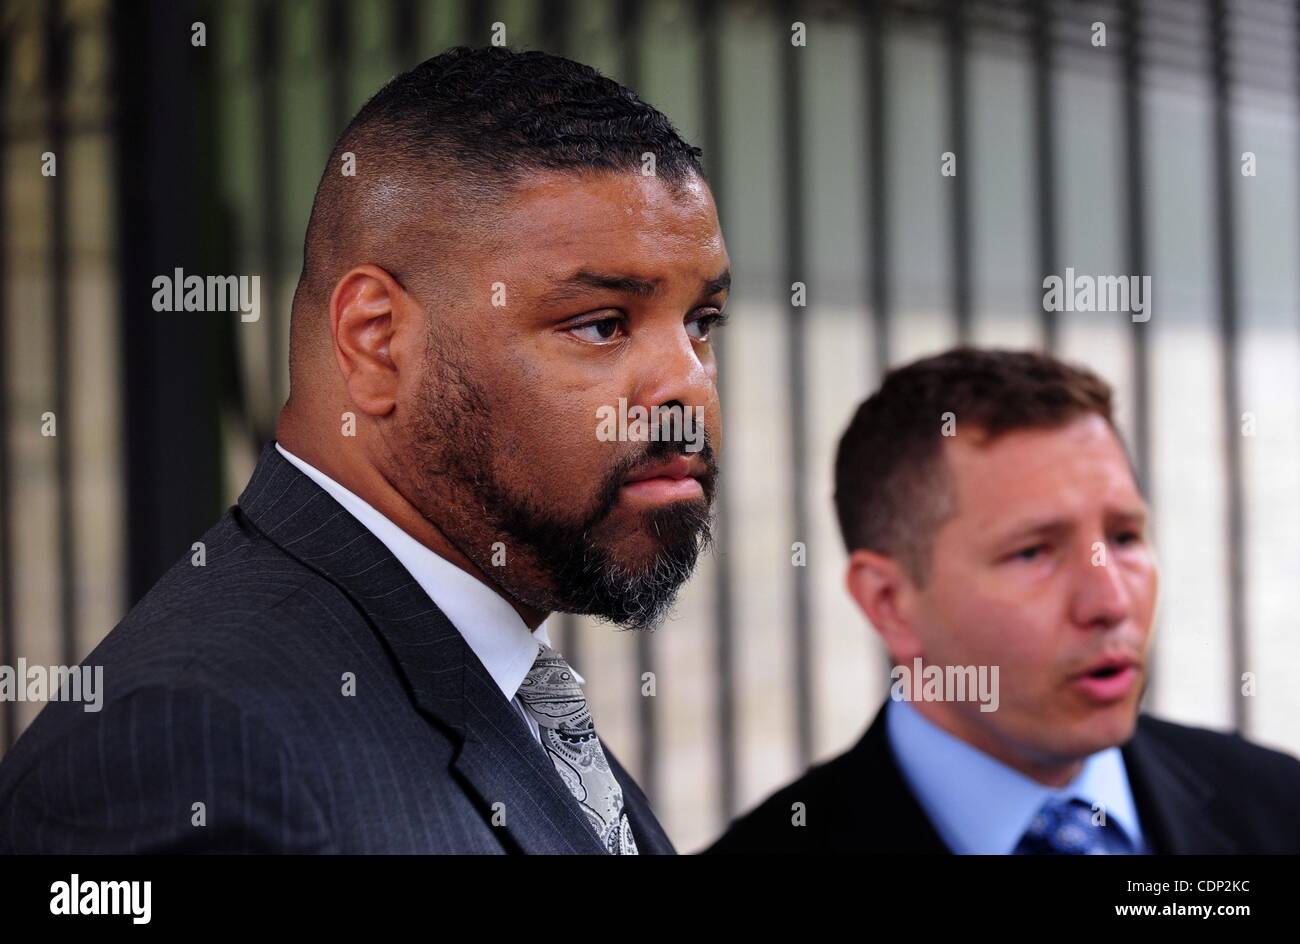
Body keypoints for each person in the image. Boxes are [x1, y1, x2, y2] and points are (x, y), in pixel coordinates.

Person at [0, 46, 730, 854]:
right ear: (378, 341)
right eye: (599, 323)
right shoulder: (193, 754)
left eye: (703, 322)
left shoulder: (497, 679)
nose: (688, 387)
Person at [707, 346, 1300, 854]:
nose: (1111, 601)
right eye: (1034, 553)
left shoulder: (1276, 806)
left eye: (1123, 537)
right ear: (888, 601)